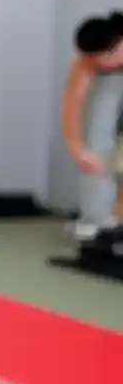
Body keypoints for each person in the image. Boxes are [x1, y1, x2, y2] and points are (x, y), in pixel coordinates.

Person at [60, 12, 123, 240]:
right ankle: (97, 219)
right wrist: (78, 150)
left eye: (104, 58)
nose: (100, 63)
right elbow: (72, 104)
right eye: (94, 60)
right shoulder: (86, 61)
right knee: (96, 140)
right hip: (113, 86)